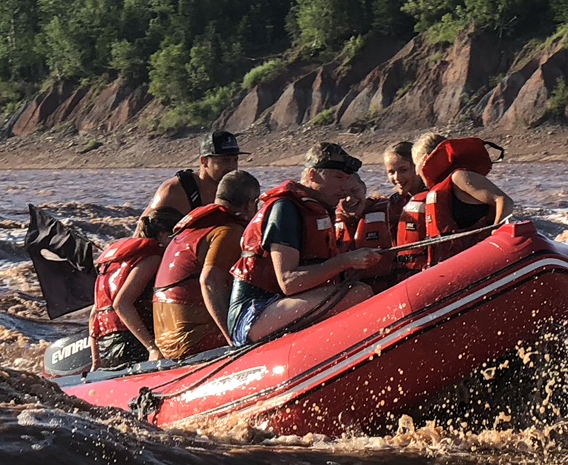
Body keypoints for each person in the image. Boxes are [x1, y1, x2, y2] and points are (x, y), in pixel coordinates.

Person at [227, 142, 391, 347]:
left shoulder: (318, 210)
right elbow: (289, 282)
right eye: (338, 178)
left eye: (347, 179)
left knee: (358, 289)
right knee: (359, 293)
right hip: (254, 314)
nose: (343, 188)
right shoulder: (285, 208)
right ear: (313, 175)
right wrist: (346, 260)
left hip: (281, 306)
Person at [152, 169, 259, 359]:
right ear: (251, 204)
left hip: (166, 342)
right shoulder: (228, 231)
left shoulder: (190, 229)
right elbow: (210, 281)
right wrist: (233, 340)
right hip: (193, 341)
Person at [88, 206, 175, 371]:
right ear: (163, 234)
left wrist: (96, 362)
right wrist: (152, 348)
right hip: (130, 344)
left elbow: (94, 316)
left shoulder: (114, 263)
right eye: (175, 236)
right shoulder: (153, 257)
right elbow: (121, 304)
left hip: (107, 348)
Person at [408, 132, 512, 266]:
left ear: (425, 159)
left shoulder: (459, 177)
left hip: (480, 261)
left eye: (416, 164)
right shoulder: (442, 188)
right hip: (454, 265)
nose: (416, 172)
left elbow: (504, 200)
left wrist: (497, 233)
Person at [145, 128, 242, 221]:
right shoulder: (176, 191)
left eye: (235, 160)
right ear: (204, 161)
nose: (232, 167)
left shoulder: (237, 190)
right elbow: (142, 232)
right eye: (225, 160)